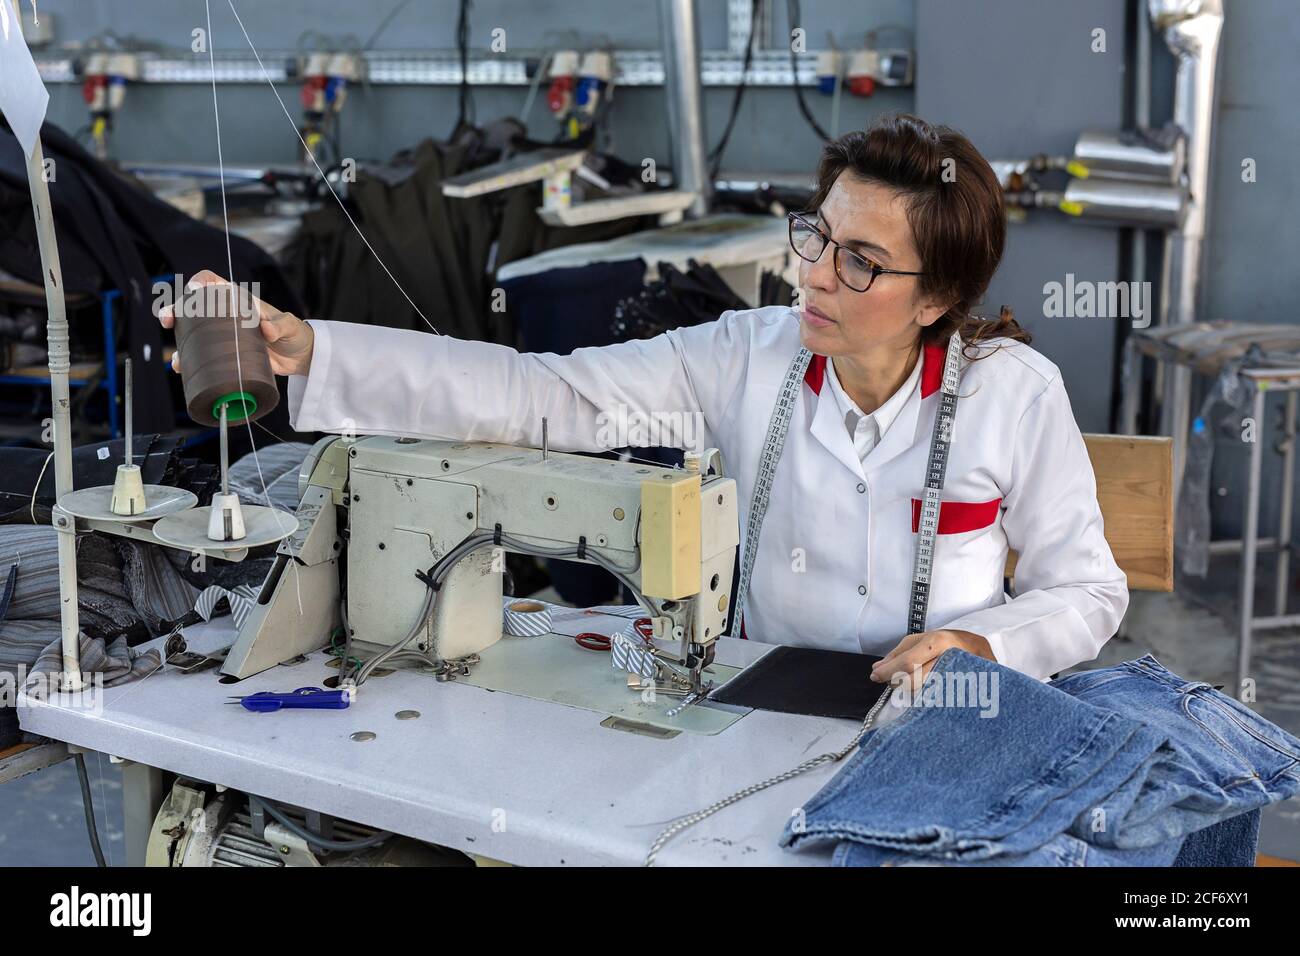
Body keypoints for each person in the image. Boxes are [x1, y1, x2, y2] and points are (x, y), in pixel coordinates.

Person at [160, 113, 1128, 691]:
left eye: (860, 261)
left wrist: (974, 641)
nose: (814, 277)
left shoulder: (1010, 396)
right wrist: (314, 347)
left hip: (938, 712)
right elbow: (536, 396)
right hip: (760, 699)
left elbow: (1085, 590)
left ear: (939, 297)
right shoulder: (744, 356)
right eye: (813, 235)